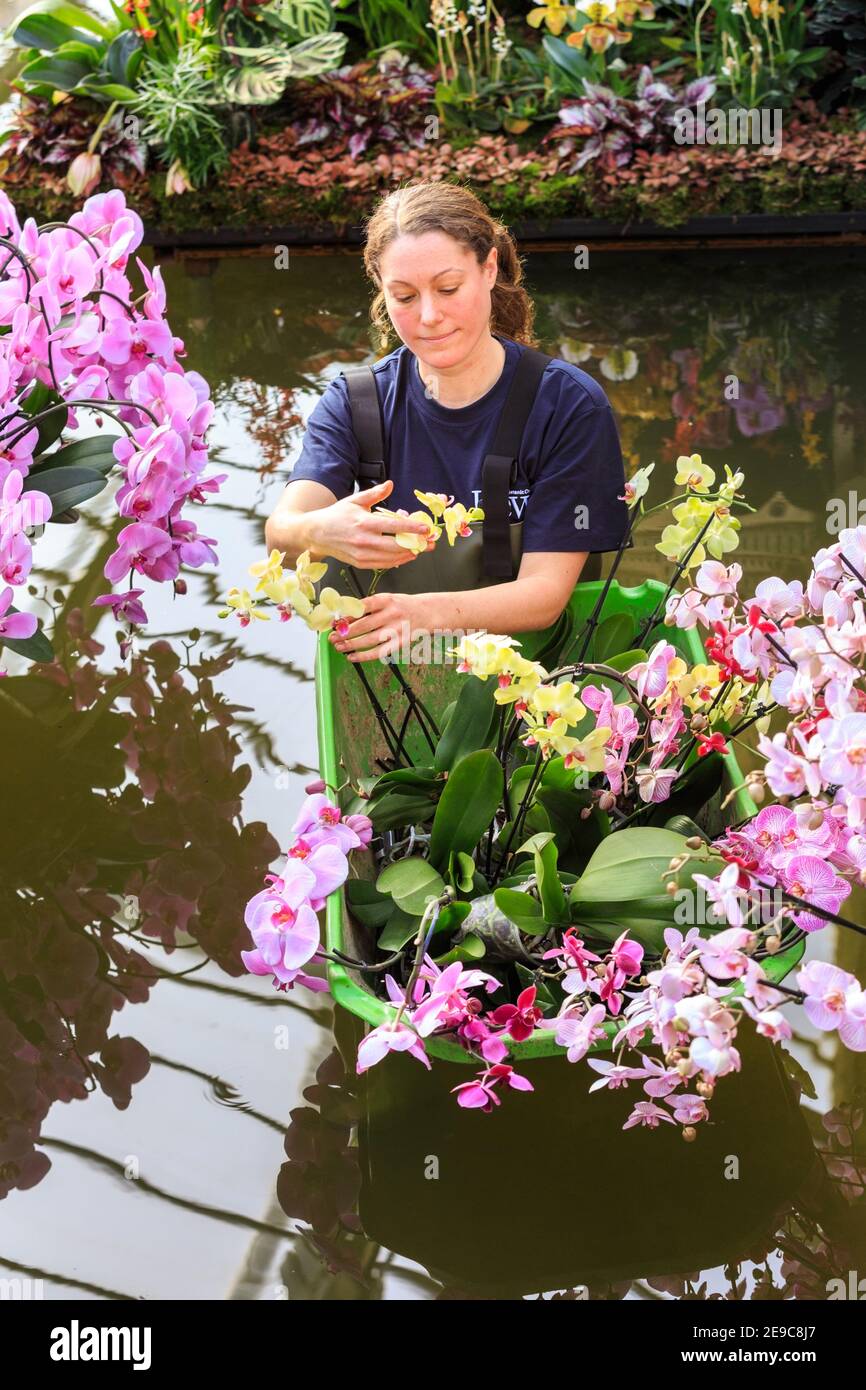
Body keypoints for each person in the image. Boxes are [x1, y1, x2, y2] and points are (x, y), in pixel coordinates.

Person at [264, 182, 629, 663]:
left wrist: (425, 616)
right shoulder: (353, 403)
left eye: (448, 288)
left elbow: (545, 594)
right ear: (381, 289)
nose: (429, 316)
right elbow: (281, 533)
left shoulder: (569, 406)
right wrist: (319, 532)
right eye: (405, 296)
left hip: (536, 684)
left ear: (490, 267)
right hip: (394, 680)